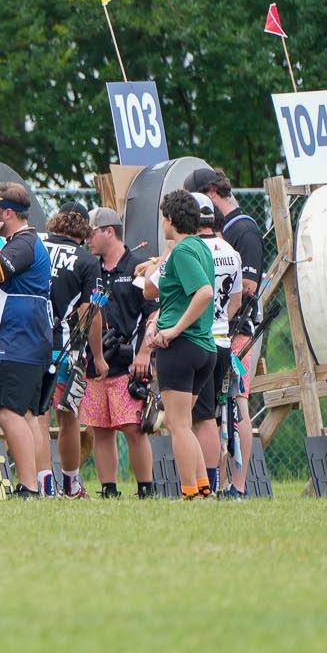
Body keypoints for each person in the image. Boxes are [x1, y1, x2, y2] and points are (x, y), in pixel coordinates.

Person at [0, 181, 53, 496]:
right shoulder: (25, 243)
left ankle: (29, 486)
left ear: (7, 212)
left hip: (17, 339)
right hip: (29, 339)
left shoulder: (24, 243)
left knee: (7, 410)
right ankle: (39, 483)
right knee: (27, 414)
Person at [135, 189, 217, 499]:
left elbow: (205, 292)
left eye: (162, 218)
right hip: (202, 349)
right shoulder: (192, 247)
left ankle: (189, 493)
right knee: (185, 424)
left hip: (182, 346)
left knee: (177, 424)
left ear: (170, 219)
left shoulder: (184, 252)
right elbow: (149, 291)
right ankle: (202, 488)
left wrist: (172, 330)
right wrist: (164, 255)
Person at [190, 167, 266, 495]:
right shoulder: (223, 231)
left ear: (211, 192)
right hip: (217, 331)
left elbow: (248, 286)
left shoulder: (243, 229)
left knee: (237, 405)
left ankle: (238, 485)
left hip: (239, 333)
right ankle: (218, 481)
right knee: (214, 409)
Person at [80, 207, 154, 497]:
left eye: (92, 233)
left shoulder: (137, 267)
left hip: (129, 364)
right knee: (100, 428)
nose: (88, 240)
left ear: (109, 231)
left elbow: (153, 315)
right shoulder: (91, 269)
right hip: (96, 362)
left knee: (133, 428)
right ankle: (108, 489)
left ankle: (145, 489)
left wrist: (144, 354)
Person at [42, 203, 102, 497]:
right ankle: (70, 485)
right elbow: (89, 312)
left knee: (35, 418)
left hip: (29, 345)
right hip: (65, 349)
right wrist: (98, 357)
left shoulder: (35, 246)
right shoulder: (87, 261)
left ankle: (38, 482)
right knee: (68, 418)